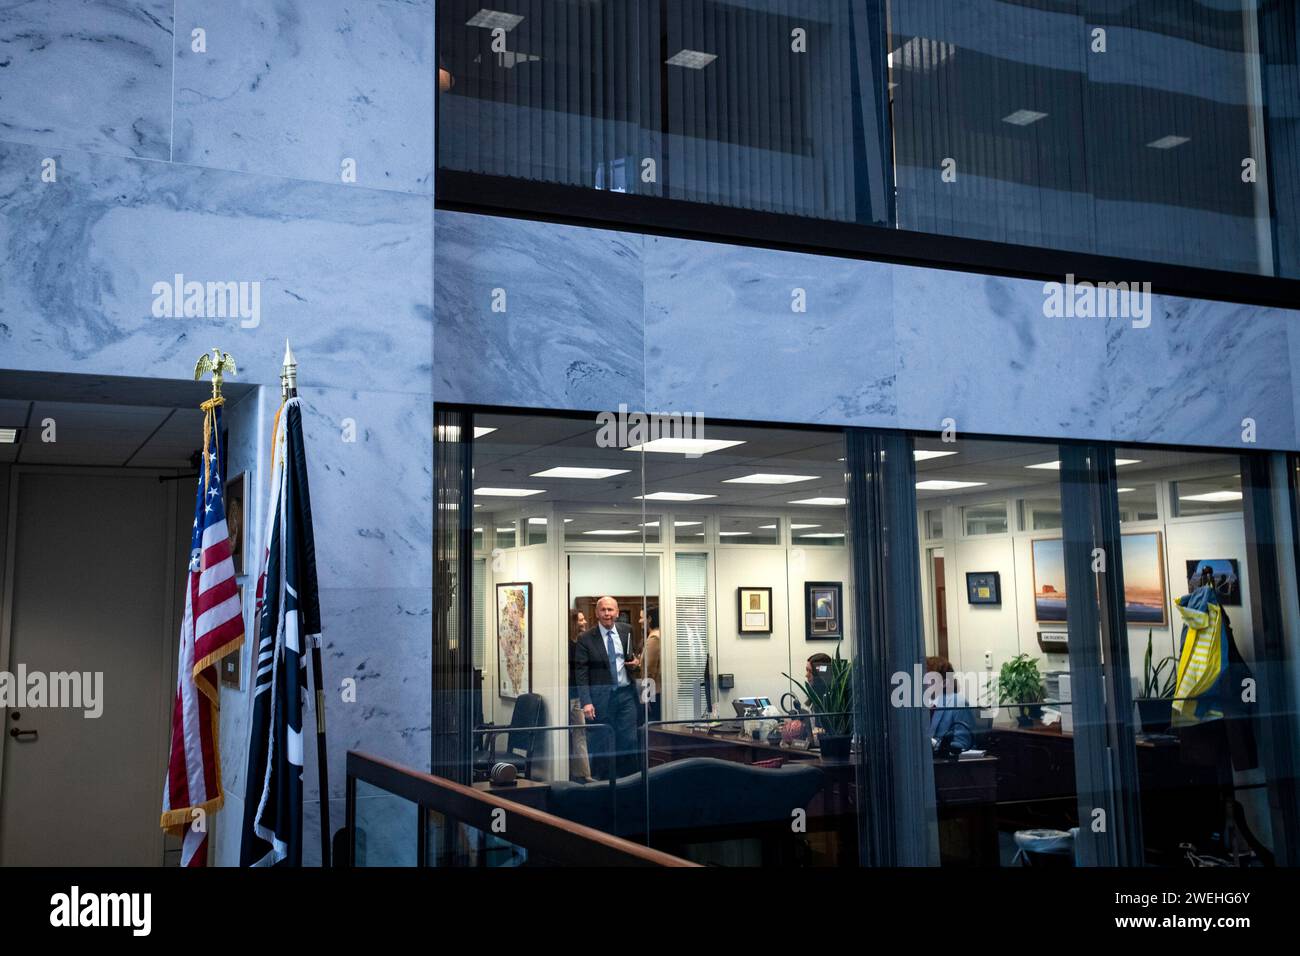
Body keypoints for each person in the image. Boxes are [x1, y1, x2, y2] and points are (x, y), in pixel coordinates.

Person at [574, 596, 641, 779]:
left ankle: (629, 785)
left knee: (629, 741)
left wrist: (636, 663)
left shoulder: (627, 630)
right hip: (600, 699)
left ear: (617, 612)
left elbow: (632, 658)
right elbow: (581, 673)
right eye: (603, 610)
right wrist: (586, 702)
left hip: (626, 695)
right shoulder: (585, 639)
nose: (607, 614)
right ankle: (602, 787)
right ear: (597, 613)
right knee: (602, 745)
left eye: (610, 610)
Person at [567, 609, 594, 783]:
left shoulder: (579, 643)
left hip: (576, 695)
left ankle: (582, 773)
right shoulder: (571, 645)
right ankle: (583, 774)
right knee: (579, 734)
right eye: (580, 620)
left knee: (579, 734)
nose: (584, 623)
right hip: (573, 695)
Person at [926, 656, 974, 753]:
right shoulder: (919, 705)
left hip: (948, 765)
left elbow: (963, 744)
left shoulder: (958, 702)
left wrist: (933, 744)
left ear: (943, 683)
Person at [641, 607, 662, 723]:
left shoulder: (654, 637)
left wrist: (646, 696)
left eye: (642, 618)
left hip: (655, 692)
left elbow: (649, 669)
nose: (640, 621)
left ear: (649, 619)